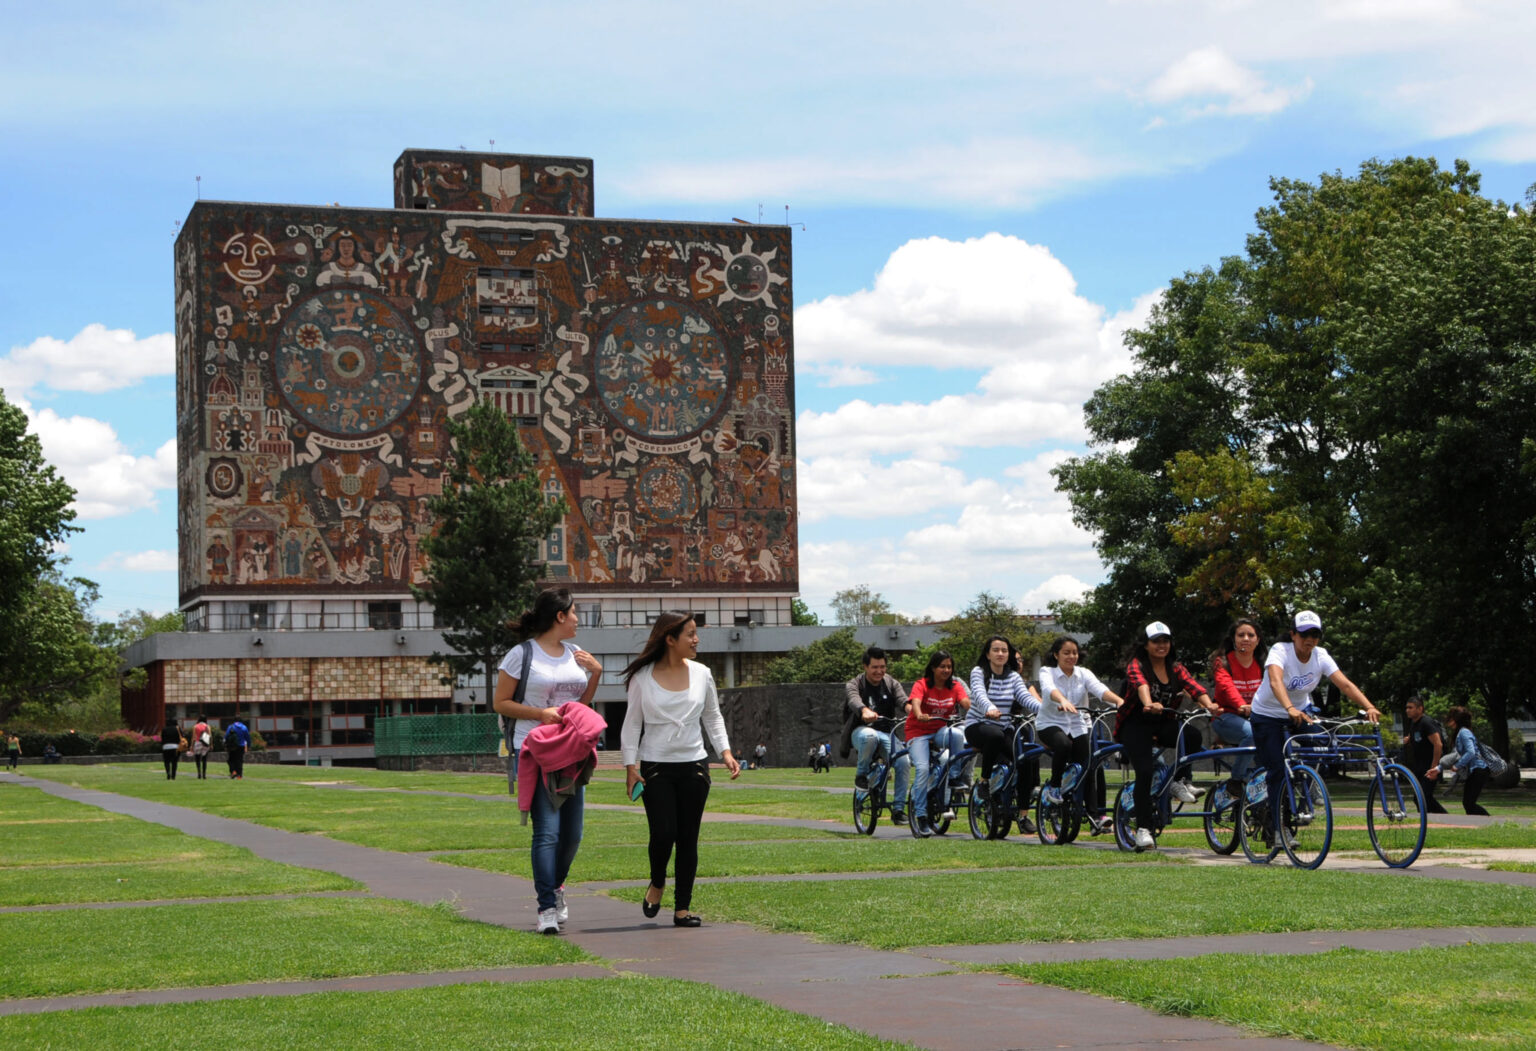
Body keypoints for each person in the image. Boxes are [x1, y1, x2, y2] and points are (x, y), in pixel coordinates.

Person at [493, 588, 603, 935]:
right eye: (573, 612)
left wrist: (596, 673)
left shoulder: (576, 655)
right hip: (535, 751)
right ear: (559, 616)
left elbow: (580, 707)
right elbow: (501, 702)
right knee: (548, 834)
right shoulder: (520, 655)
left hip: (573, 753)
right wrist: (540, 713)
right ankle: (545, 909)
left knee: (573, 835)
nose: (576, 619)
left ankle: (556, 888)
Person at [621, 611, 739, 928]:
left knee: (688, 838)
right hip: (655, 766)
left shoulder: (702, 673)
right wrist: (630, 766)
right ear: (670, 639)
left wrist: (725, 752)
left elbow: (713, 717)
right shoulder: (642, 677)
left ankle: (682, 908)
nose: (696, 639)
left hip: (695, 767)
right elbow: (632, 725)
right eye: (690, 634)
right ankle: (657, 882)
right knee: (663, 833)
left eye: (696, 633)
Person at [1251, 610, 1382, 841]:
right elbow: (1274, 681)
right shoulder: (1280, 651)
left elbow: (1345, 684)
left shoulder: (1320, 655)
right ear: (1293, 634)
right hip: (1268, 715)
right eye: (1304, 634)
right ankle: (1276, 825)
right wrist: (1289, 707)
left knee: (1322, 741)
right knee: (1277, 770)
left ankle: (1305, 787)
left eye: (1315, 634)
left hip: (1299, 713)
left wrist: (1369, 706)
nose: (1309, 639)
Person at [1119, 622, 1216, 850]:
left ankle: (1178, 781)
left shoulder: (1176, 667)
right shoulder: (1137, 665)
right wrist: (1148, 703)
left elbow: (1194, 687)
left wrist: (1210, 705)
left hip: (1163, 721)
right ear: (1146, 644)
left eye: (1165, 641)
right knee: (1144, 771)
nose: (1161, 645)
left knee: (1191, 735)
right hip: (1135, 724)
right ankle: (1143, 829)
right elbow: (1141, 684)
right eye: (1156, 641)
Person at [1037, 635, 1124, 834]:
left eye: (1074, 652)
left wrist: (1120, 702)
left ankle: (1095, 816)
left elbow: (1100, 690)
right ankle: (1054, 786)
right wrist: (1063, 700)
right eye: (1066, 653)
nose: (1071, 656)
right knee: (1063, 745)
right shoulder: (1047, 671)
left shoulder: (1083, 673)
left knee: (1089, 766)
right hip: (1050, 723)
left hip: (1078, 725)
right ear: (1056, 655)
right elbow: (1049, 689)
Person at [965, 635, 1042, 834]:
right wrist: (989, 708)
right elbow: (979, 694)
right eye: (996, 650)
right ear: (988, 654)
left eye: (1004, 650)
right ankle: (984, 781)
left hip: (1003, 728)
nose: (1001, 654)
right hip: (978, 725)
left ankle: (1023, 816)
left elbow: (1025, 698)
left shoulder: (1013, 676)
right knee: (995, 736)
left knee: (1024, 761)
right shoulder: (979, 672)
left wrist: (1045, 709)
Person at [906, 650, 970, 837]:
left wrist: (979, 711)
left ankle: (954, 776)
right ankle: (921, 816)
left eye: (949, 667)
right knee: (923, 769)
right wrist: (919, 714)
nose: (946, 670)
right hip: (918, 732)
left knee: (957, 735)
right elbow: (916, 702)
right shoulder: (922, 684)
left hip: (939, 731)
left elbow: (966, 702)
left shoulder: (955, 685)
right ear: (933, 668)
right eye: (942, 666)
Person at [844, 646, 911, 823]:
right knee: (870, 736)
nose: (879, 671)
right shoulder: (855, 683)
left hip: (887, 733)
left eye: (882, 667)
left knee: (904, 762)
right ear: (865, 667)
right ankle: (861, 776)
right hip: (861, 732)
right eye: (874, 667)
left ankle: (898, 809)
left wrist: (913, 711)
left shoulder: (890, 683)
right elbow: (853, 699)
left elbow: (903, 700)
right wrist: (864, 710)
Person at [1208, 618, 1261, 791]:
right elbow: (1226, 686)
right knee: (1252, 733)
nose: (1246, 638)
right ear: (1233, 639)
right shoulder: (1222, 662)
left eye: (1251, 635)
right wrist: (1241, 704)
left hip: (1256, 716)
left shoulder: (1263, 663)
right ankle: (1236, 780)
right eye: (1241, 635)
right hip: (1226, 716)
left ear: (1258, 640)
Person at [1400, 695, 1448, 815]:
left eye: (1411, 707)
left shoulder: (1427, 723)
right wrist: (1408, 739)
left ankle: (1431, 820)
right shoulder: (1414, 723)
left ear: (1420, 709)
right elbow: (1416, 736)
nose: (1407, 710)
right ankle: (1442, 818)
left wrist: (1434, 767)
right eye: (1407, 708)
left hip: (1430, 767)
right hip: (1419, 766)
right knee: (1423, 797)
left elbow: (1438, 745)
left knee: (1421, 798)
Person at [1442, 706, 1490, 816]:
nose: (1448, 721)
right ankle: (1482, 823)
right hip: (1477, 771)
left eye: (1450, 718)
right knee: (1468, 803)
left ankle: (1489, 821)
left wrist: (1458, 765)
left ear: (1455, 720)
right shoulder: (1462, 732)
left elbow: (1471, 752)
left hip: (1479, 770)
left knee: (1469, 803)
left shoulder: (1464, 732)